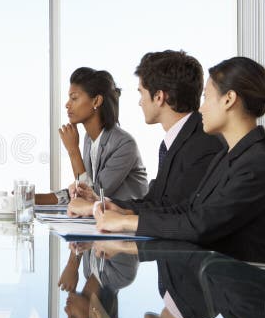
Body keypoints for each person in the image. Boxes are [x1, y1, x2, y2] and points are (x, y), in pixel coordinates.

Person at [94, 57, 265, 263]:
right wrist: (124, 212)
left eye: (207, 98)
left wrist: (127, 222)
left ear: (229, 99)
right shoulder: (228, 156)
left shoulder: (258, 164)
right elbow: (188, 209)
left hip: (237, 285)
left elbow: (200, 225)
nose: (201, 108)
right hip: (213, 276)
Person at [68, 51, 222, 215]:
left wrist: (98, 209)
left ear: (159, 97)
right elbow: (155, 202)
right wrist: (101, 202)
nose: (140, 102)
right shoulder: (177, 140)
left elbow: (177, 213)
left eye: (141, 92)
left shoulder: (202, 144)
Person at [36, 67, 147, 205]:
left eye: (74, 98)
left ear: (96, 101)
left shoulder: (124, 144)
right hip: (103, 219)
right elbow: (84, 189)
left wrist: (73, 151)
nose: (67, 104)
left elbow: (92, 194)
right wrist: (32, 198)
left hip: (129, 222)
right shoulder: (89, 139)